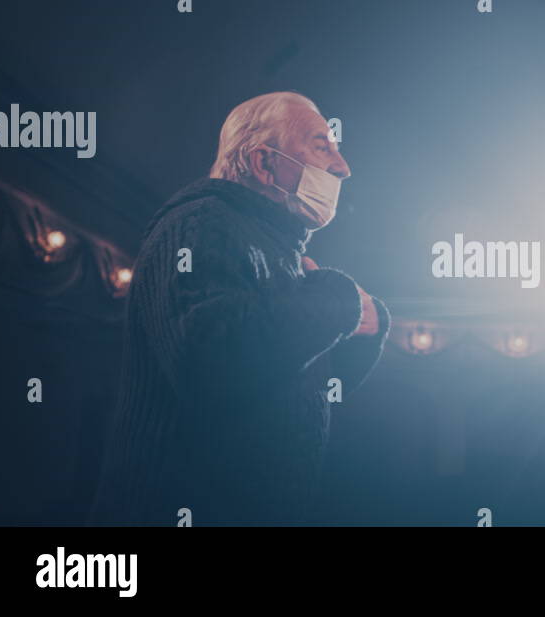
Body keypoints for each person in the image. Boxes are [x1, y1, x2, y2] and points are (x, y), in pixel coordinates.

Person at [90, 92, 389, 525]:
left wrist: (362, 332)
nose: (343, 166)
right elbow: (211, 361)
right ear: (263, 164)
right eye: (321, 145)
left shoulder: (272, 242)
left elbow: (285, 385)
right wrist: (333, 300)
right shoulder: (201, 223)